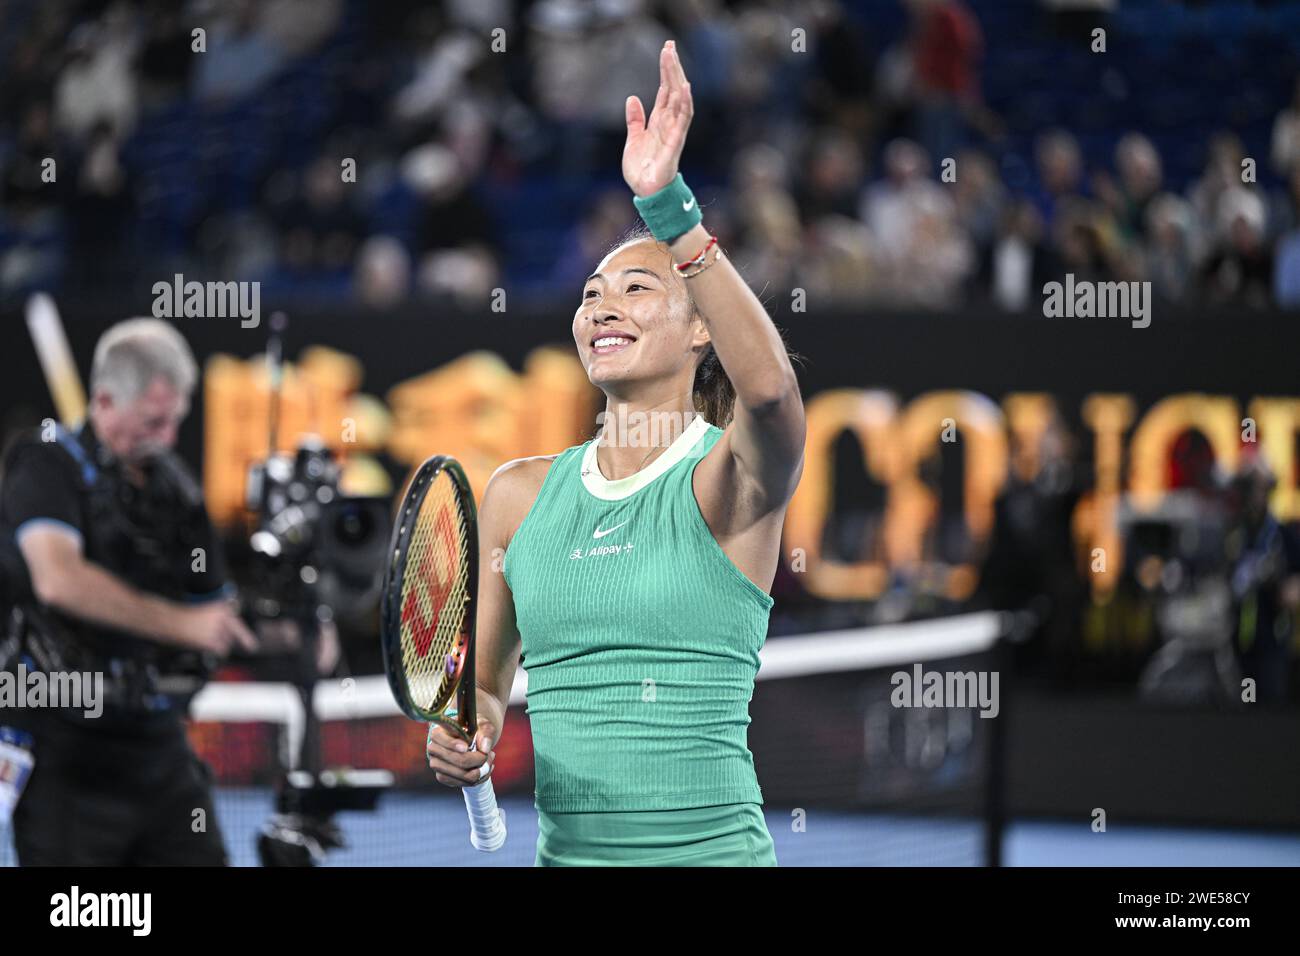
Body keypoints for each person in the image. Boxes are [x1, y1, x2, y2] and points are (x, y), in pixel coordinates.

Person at [425, 40, 805, 866]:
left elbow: (771, 394)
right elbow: (483, 684)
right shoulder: (517, 496)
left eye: (639, 289)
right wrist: (470, 733)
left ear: (700, 329)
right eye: (592, 292)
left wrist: (670, 209)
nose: (605, 304)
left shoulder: (725, 481)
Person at [0, 318, 258, 865]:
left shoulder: (175, 489)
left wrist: (289, 628)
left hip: (159, 749)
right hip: (64, 758)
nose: (166, 439)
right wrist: (182, 625)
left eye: (175, 422)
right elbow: (58, 580)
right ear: (104, 400)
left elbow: (215, 609)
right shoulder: (45, 463)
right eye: (152, 422)